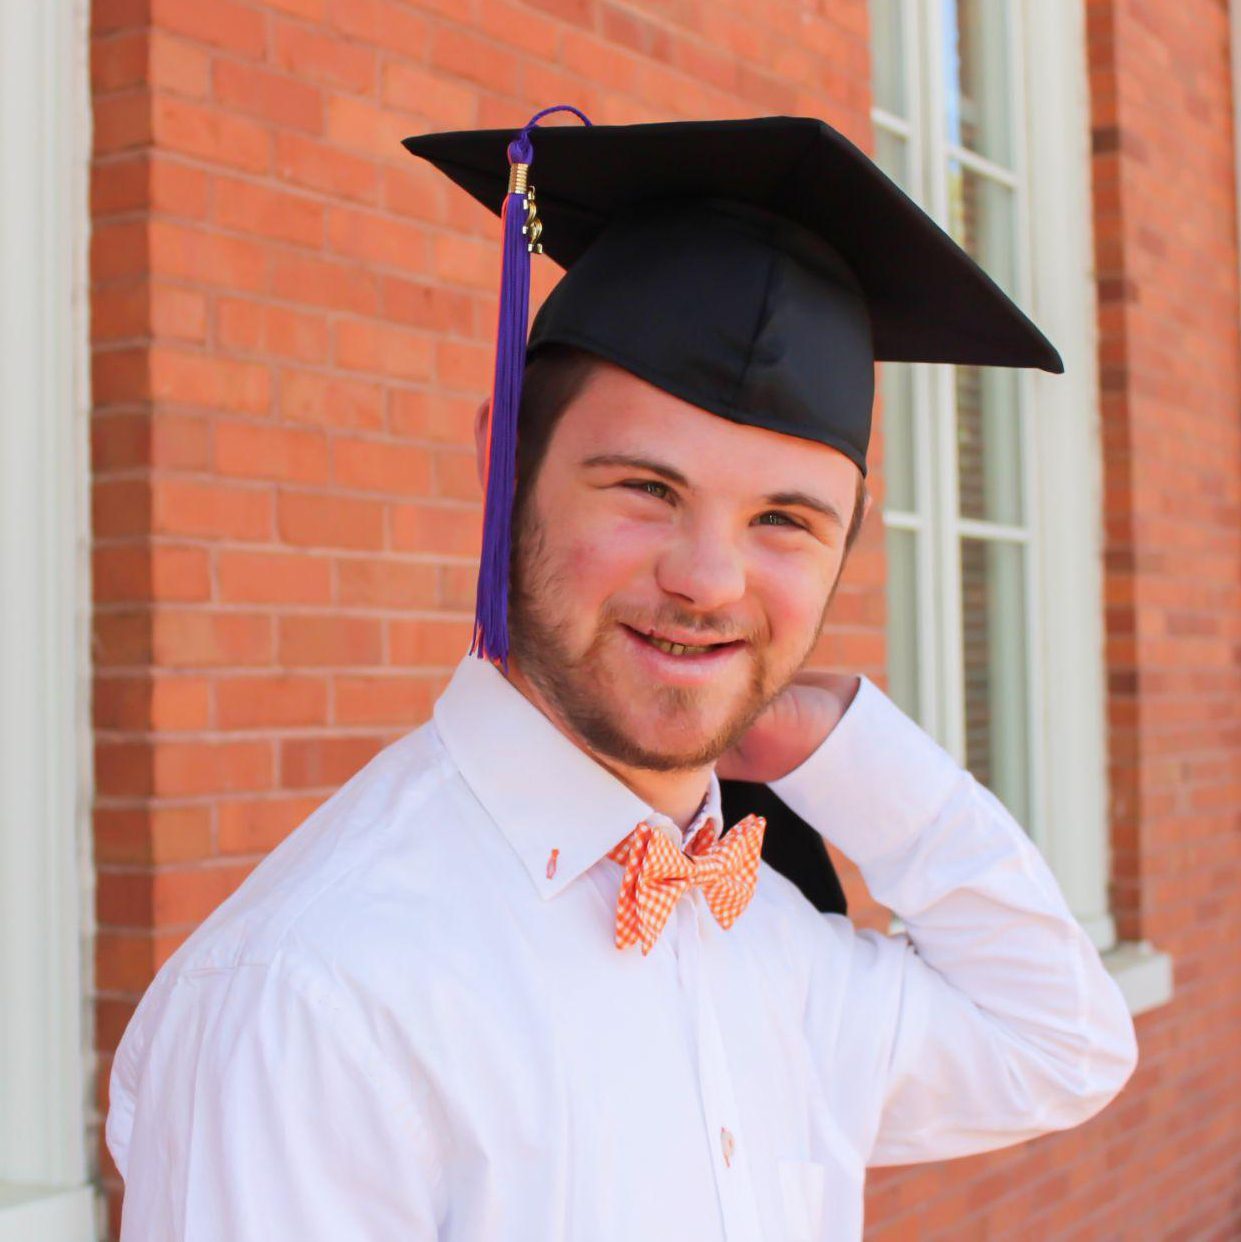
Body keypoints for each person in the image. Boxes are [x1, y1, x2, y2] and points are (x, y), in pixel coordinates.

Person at [105, 110, 1139, 1241]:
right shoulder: (315, 999)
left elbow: (1059, 1044)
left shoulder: (767, 938)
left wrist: (834, 745)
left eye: (784, 521)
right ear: (506, 460)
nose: (706, 579)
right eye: (645, 488)